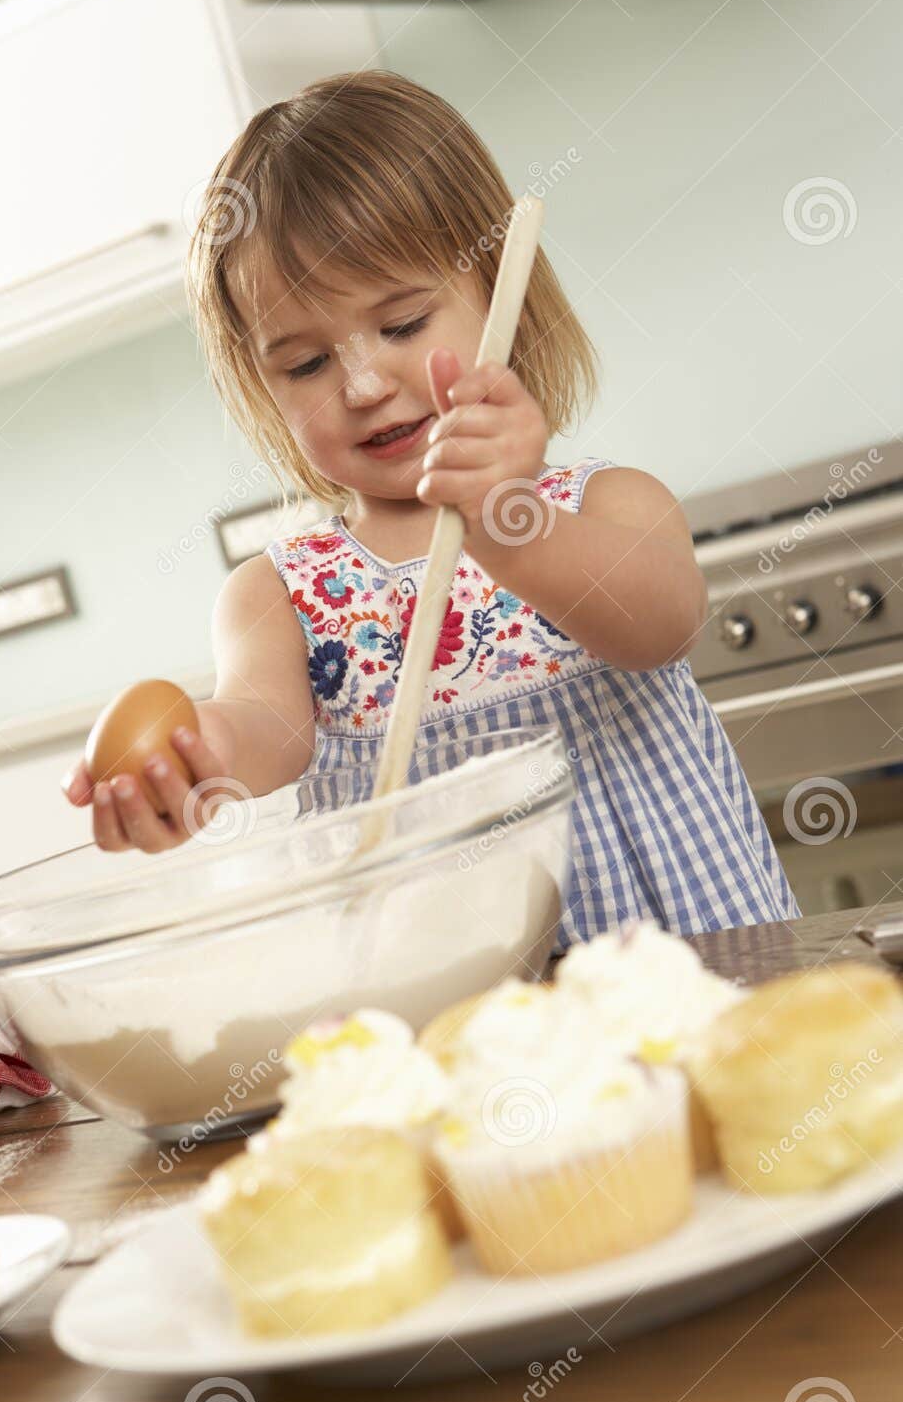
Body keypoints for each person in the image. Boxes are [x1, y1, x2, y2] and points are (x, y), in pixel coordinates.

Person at [63, 71, 799, 945]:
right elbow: (264, 726)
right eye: (305, 366)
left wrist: (503, 518)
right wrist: (195, 762)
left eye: (404, 324)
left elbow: (659, 627)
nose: (365, 384)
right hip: (460, 1020)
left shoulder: (608, 504)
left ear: (499, 293)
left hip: (699, 983)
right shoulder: (280, 592)